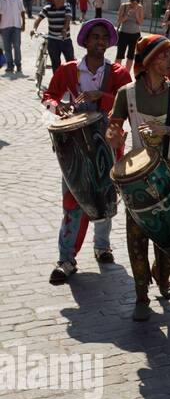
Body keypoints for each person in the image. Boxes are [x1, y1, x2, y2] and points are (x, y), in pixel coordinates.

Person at [104, 36, 170, 321]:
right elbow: (113, 129)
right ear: (148, 61)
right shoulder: (126, 93)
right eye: (164, 56)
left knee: (169, 235)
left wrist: (165, 129)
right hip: (138, 177)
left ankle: (163, 276)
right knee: (136, 238)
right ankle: (141, 292)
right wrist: (113, 137)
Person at [41, 19, 132, 282]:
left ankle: (102, 247)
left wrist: (100, 98)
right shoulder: (69, 70)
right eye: (95, 37)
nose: (100, 41)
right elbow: (48, 97)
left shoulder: (118, 74)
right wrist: (58, 107)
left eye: (104, 37)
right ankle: (66, 259)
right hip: (73, 151)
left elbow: (128, 105)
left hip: (108, 146)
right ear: (84, 40)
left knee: (106, 198)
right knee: (73, 202)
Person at [32, 0, 75, 70]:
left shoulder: (67, 6)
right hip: (53, 40)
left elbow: (68, 19)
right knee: (55, 63)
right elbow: (39, 19)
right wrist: (34, 29)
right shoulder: (47, 8)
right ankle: (57, 81)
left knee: (70, 62)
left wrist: (64, 30)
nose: (64, 0)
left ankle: (72, 80)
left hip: (65, 39)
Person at [1, 0, 25, 74]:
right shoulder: (1, 0)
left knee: (16, 46)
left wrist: (24, 24)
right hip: (4, 26)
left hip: (16, 25)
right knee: (7, 47)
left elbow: (22, 11)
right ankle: (10, 65)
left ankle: (18, 64)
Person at [115, 0, 145, 66]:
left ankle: (127, 74)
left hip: (135, 35)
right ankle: (116, 73)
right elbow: (119, 20)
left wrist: (136, 14)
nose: (134, 5)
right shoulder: (124, 6)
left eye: (136, 3)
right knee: (120, 55)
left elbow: (141, 23)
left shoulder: (140, 7)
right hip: (124, 33)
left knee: (131, 56)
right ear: (130, 0)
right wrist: (128, 14)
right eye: (132, 3)